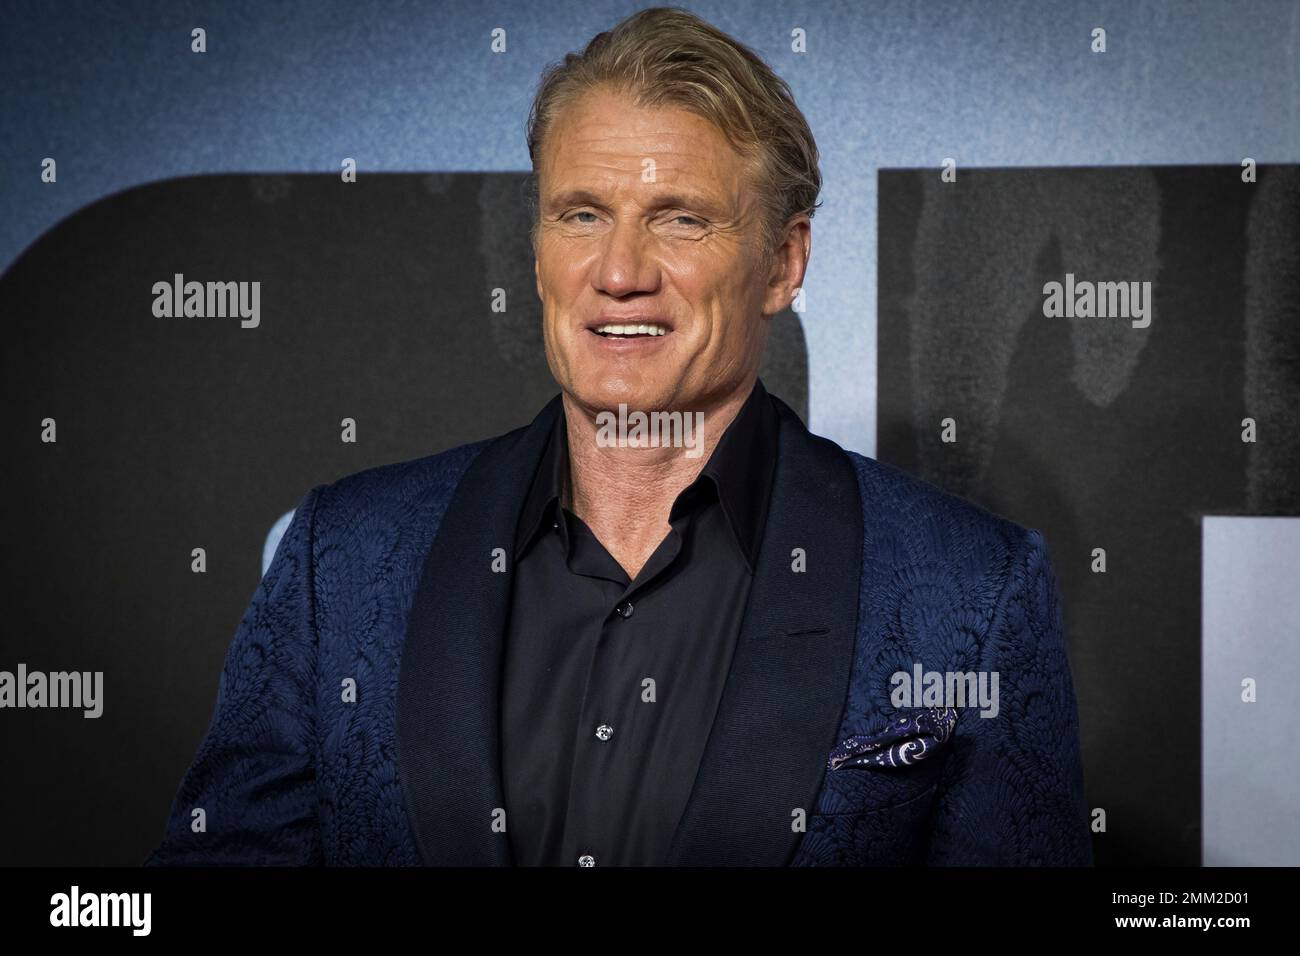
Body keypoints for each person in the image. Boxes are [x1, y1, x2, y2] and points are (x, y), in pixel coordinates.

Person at [146, 6, 1090, 867]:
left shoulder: (971, 593)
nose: (620, 271)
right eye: (583, 215)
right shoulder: (341, 560)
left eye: (679, 220)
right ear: (540, 248)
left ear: (784, 261)